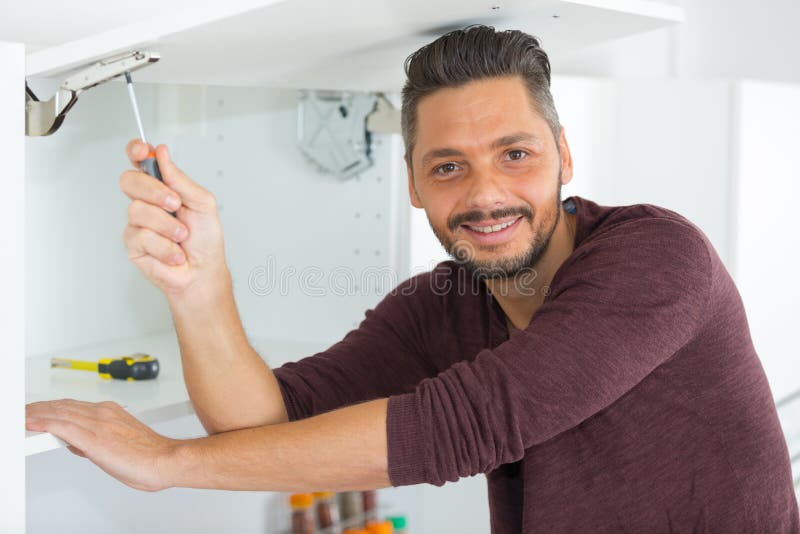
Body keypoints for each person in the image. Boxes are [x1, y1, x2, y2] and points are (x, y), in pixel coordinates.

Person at [26, 26, 799, 532]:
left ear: (566, 155)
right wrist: (200, 289)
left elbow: (469, 422)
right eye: (448, 167)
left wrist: (167, 463)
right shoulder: (440, 307)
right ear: (413, 184)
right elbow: (263, 425)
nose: (485, 194)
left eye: (515, 154)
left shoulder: (658, 257)